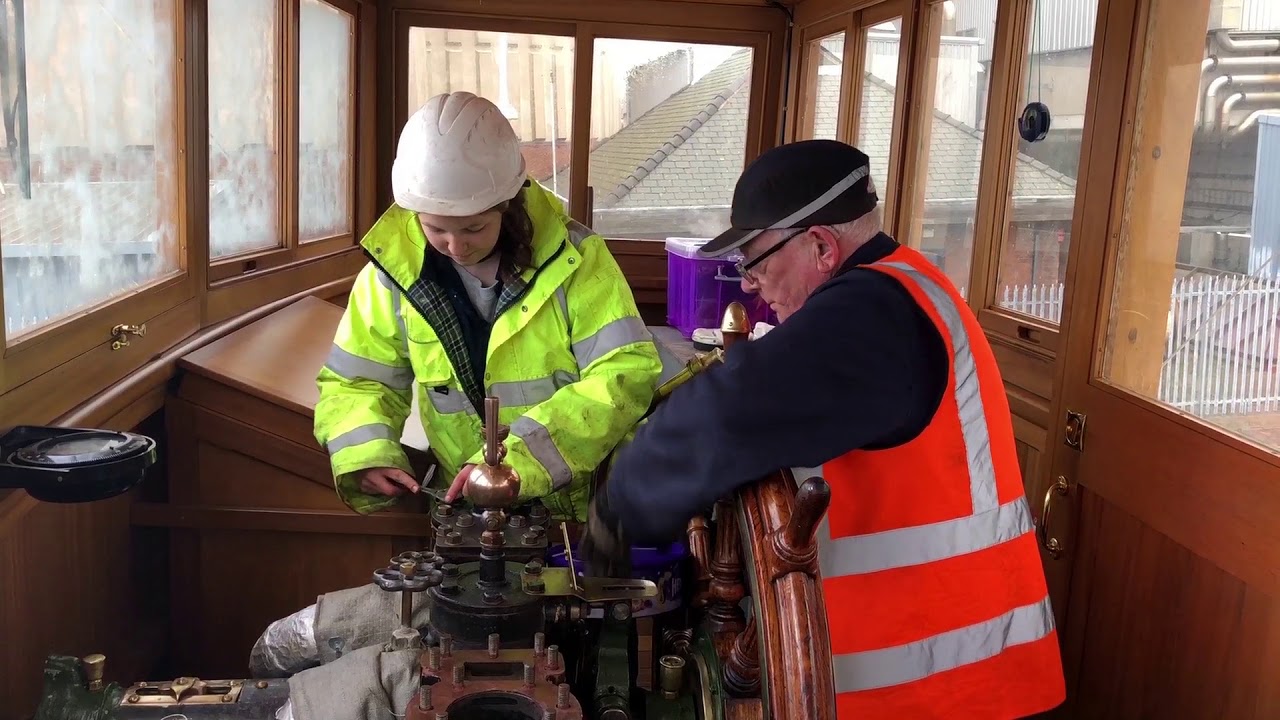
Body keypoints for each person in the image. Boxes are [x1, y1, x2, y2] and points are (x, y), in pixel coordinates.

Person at [580, 139, 1066, 718]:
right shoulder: (908, 288)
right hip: (964, 673)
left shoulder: (875, 316)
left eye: (757, 262)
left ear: (820, 246)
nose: (749, 286)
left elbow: (728, 412)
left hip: (952, 689)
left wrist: (619, 503)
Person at [313, 91, 662, 522]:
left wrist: (520, 462)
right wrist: (364, 453)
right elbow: (359, 381)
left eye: (474, 227)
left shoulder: (577, 259)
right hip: (462, 511)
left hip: (570, 510)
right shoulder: (391, 277)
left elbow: (623, 372)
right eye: (435, 228)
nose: (455, 247)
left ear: (508, 204)